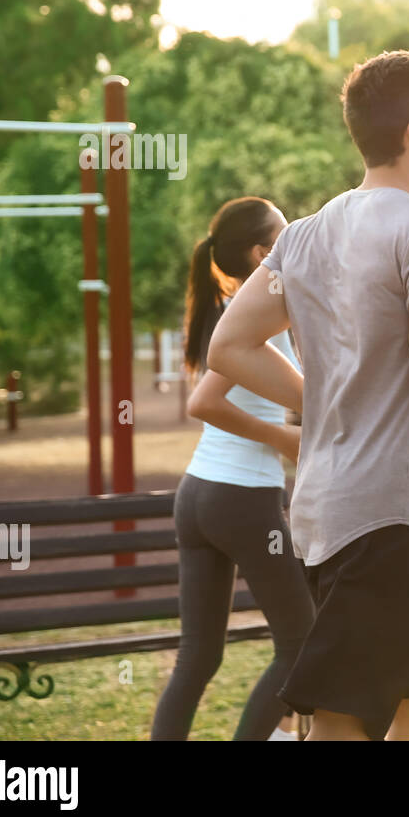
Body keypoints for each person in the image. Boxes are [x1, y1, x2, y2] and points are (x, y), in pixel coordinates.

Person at [207, 50, 409, 741]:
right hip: (387, 526)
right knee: (344, 729)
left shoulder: (306, 235)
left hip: (327, 515)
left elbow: (229, 347)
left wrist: (323, 402)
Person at [150, 196, 315, 742]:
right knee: (299, 644)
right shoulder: (249, 312)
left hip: (200, 495)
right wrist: (285, 437)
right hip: (241, 499)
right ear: (262, 251)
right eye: (285, 233)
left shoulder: (244, 307)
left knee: (198, 659)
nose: (296, 239)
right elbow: (203, 403)